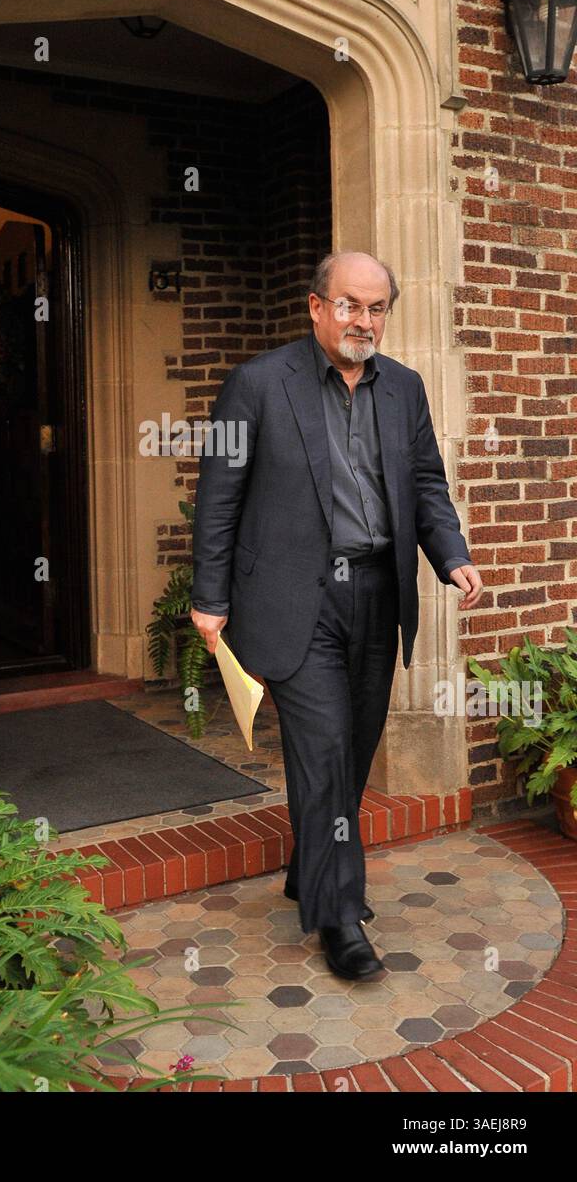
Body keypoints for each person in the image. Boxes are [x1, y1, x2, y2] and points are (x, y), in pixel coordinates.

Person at [190, 251, 483, 981]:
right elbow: (219, 497)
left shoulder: (404, 389)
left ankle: (309, 868)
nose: (364, 320)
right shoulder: (258, 384)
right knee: (322, 750)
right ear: (317, 307)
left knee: (352, 746)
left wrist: (452, 553)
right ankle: (340, 918)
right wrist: (210, 596)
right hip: (295, 598)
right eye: (350, 304)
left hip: (377, 592)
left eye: (377, 307)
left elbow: (425, 482)